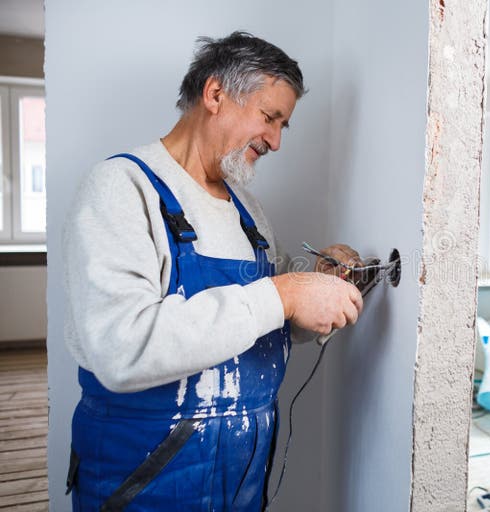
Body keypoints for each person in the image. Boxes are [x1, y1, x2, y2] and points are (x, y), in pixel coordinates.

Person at [62, 31, 363, 511]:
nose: (276, 141)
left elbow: (274, 320)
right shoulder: (122, 188)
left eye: (284, 125)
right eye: (270, 118)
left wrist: (318, 283)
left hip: (239, 486)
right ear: (216, 94)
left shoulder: (248, 210)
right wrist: (284, 294)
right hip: (141, 486)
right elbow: (121, 347)